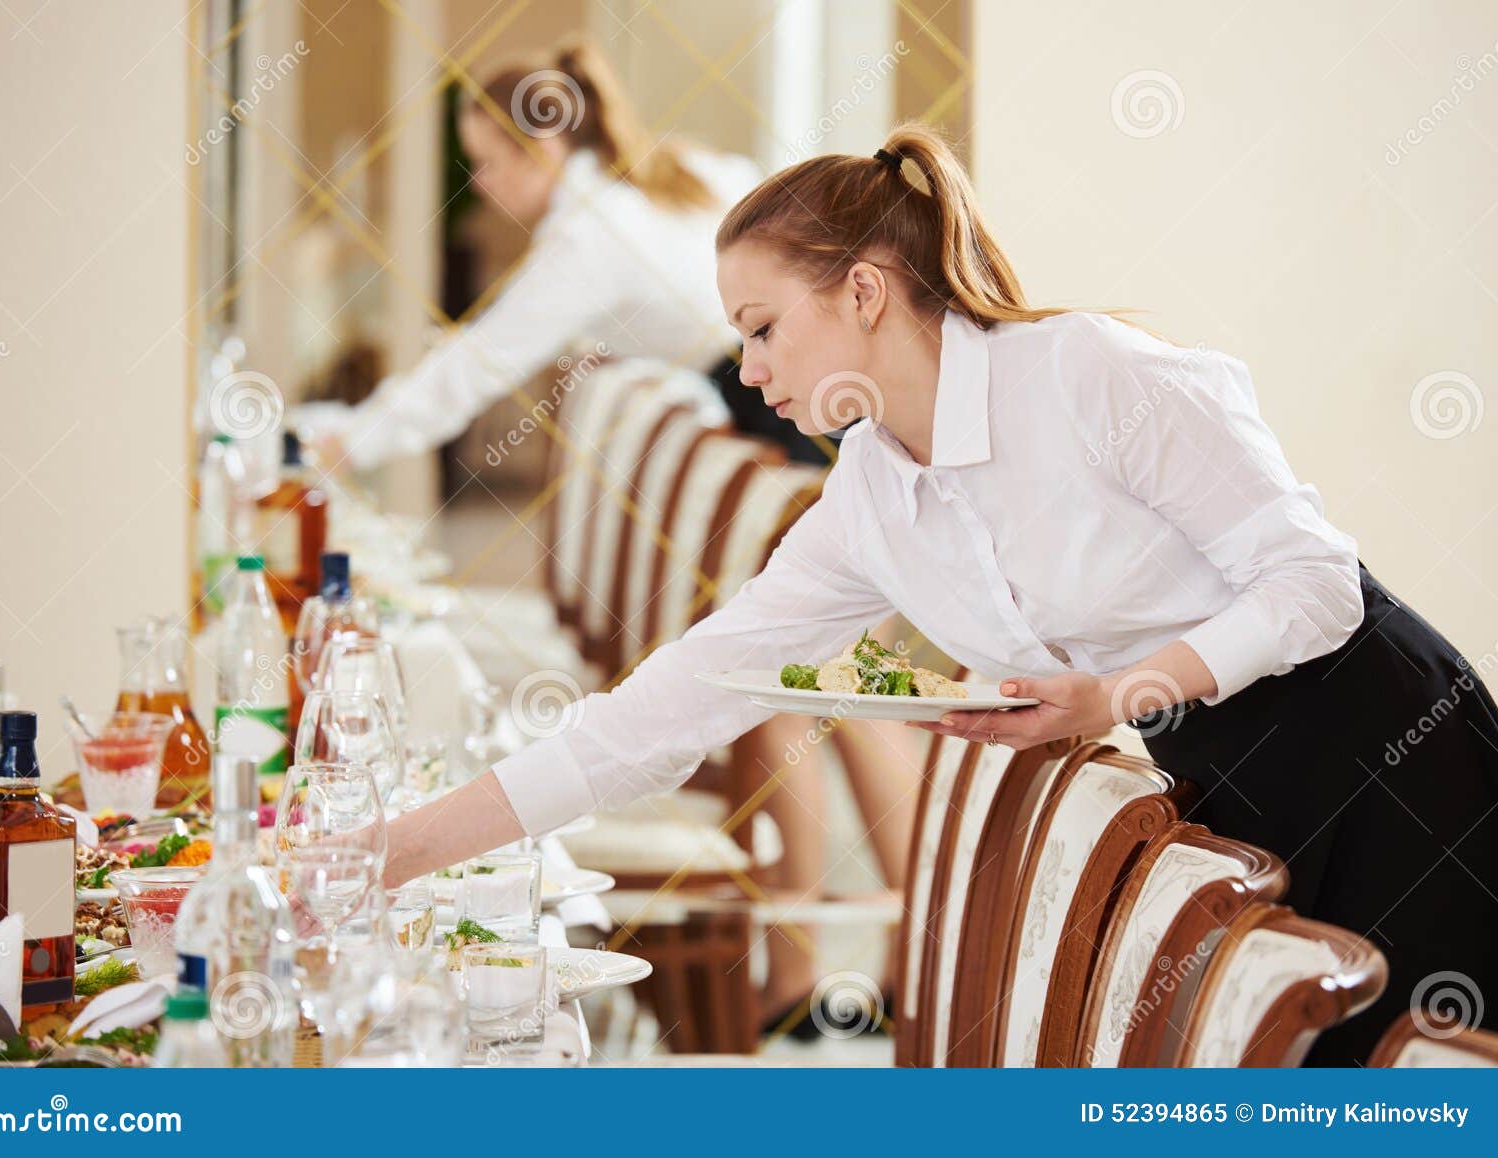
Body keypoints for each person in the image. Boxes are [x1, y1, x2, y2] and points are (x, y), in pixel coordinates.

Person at [383, 122, 1498, 1066]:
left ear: (863, 291)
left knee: (1440, 1069)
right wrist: (393, 853)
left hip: (1386, 739)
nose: (751, 372)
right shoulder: (869, 499)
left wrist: (1115, 694)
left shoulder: (1083, 375)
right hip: (1217, 769)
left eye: (762, 330)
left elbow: (1314, 586)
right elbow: (665, 710)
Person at [298, 40, 758, 469]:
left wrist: (350, 442)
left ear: (541, 149)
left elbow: (481, 362)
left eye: (487, 161)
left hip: (762, 398)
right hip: (772, 371)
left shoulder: (588, 234)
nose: (478, 183)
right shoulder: (668, 168)